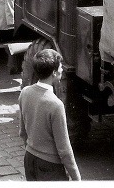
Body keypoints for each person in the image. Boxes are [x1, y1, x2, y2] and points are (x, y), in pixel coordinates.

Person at [19, 48, 81, 181]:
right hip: (49, 166)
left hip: (29, 159)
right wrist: (77, 177)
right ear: (53, 73)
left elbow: (22, 133)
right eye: (60, 67)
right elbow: (64, 150)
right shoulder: (56, 105)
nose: (62, 69)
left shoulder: (24, 92)